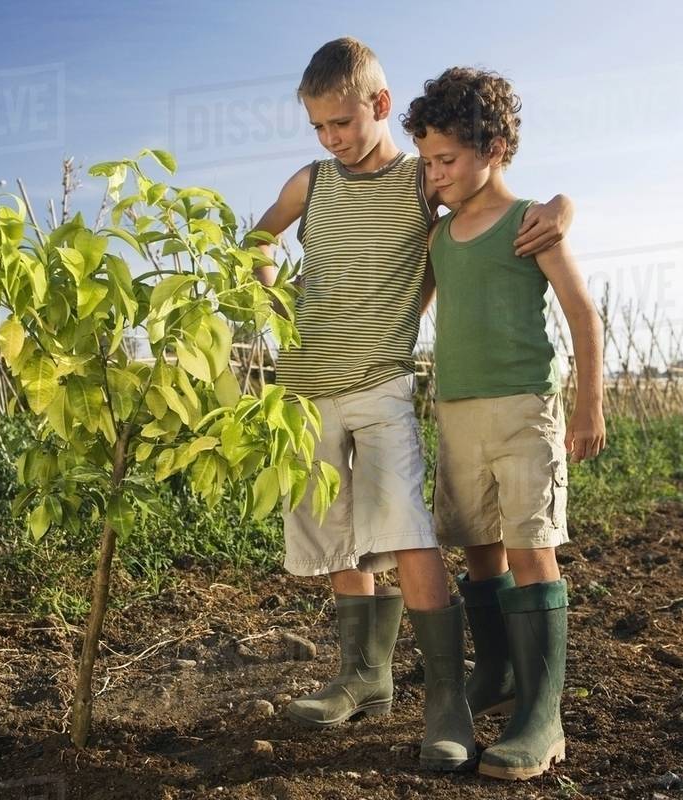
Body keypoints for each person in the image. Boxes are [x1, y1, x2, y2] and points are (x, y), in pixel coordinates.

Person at [250, 38, 573, 771]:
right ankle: (362, 678)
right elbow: (255, 238)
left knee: (405, 529)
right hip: (304, 387)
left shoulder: (418, 182)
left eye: (342, 123)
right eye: (319, 128)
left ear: (381, 107)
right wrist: (269, 281)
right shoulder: (312, 183)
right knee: (336, 534)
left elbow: (490, 191)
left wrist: (562, 206)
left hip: (381, 380)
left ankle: (447, 702)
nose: (331, 139)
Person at [402, 65, 607, 780]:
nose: (434, 175)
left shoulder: (532, 224)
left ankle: (542, 718)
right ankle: (497, 674)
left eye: (446, 160)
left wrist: (588, 405)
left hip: (524, 408)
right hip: (457, 411)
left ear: (491, 147)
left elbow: (583, 313)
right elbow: (408, 313)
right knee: (477, 546)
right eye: (426, 163)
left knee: (529, 548)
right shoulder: (437, 239)